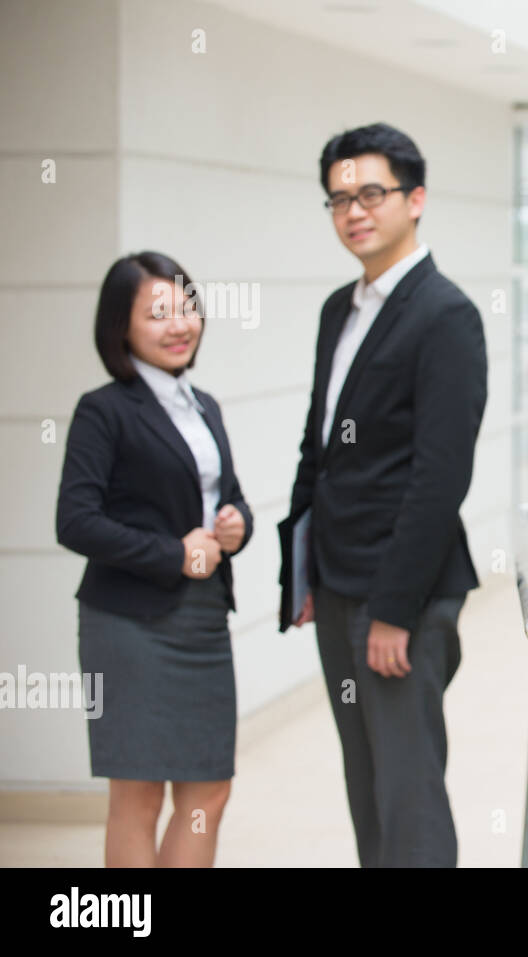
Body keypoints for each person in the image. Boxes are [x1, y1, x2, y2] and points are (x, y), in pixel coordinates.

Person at [279, 123, 487, 867]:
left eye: (371, 192)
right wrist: (300, 571)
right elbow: (320, 448)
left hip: (400, 593)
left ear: (416, 198)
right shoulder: (342, 307)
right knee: (365, 778)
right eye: (338, 198)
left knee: (407, 787)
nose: (353, 211)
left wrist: (394, 608)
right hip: (336, 584)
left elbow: (440, 475)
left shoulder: (445, 314)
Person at [56, 252, 253, 867]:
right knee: (138, 797)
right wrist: (174, 554)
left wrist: (234, 525)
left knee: (208, 792)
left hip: (202, 624)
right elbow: (75, 521)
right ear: (122, 328)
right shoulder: (104, 410)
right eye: (157, 314)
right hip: (130, 625)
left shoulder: (205, 406)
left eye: (186, 307)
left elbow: (226, 495)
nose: (179, 325)